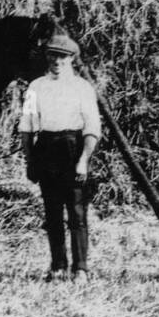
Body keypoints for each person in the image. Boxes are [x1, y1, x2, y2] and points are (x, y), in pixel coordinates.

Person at [19, 34, 101, 283]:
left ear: (72, 59)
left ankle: (80, 269)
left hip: (72, 147)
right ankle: (58, 266)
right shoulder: (36, 87)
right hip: (46, 148)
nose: (57, 61)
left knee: (76, 212)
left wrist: (83, 160)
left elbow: (92, 128)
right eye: (52, 55)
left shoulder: (82, 87)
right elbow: (28, 126)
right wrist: (30, 159)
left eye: (62, 57)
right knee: (52, 212)